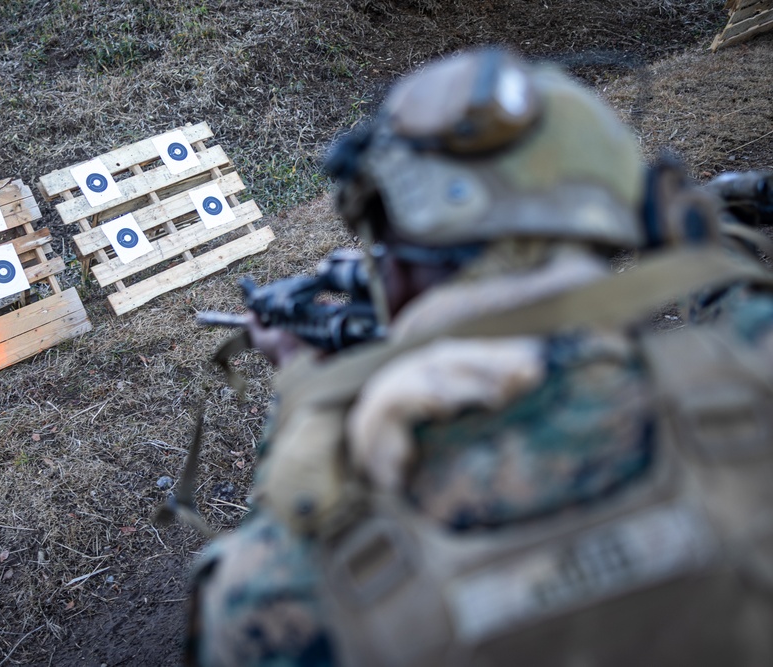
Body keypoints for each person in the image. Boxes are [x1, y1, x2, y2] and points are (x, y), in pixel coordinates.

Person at [185, 46, 773, 666]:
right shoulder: (752, 373)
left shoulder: (273, 590)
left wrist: (302, 405)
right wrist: (717, 260)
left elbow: (282, 542)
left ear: (403, 269)